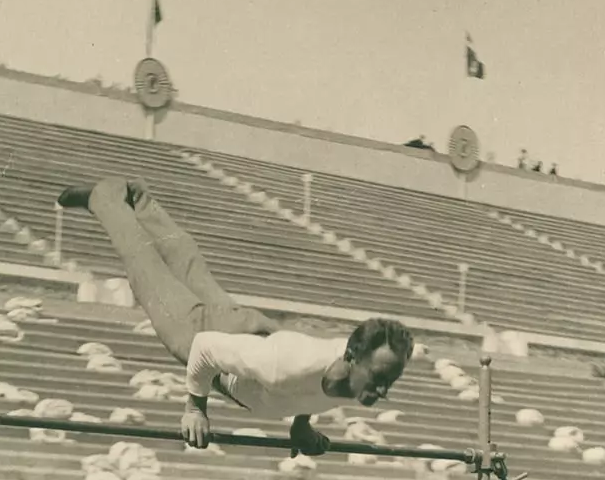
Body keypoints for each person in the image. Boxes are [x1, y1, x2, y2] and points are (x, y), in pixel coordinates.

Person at [57, 178, 413, 453]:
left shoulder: (345, 370)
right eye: (380, 377)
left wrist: (301, 425)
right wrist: (195, 408)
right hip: (217, 341)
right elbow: (203, 347)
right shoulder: (285, 364)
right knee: (147, 269)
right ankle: (104, 195)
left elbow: (316, 388)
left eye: (391, 380)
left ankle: (137, 196)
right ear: (351, 357)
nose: (383, 390)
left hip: (253, 334)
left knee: (189, 268)